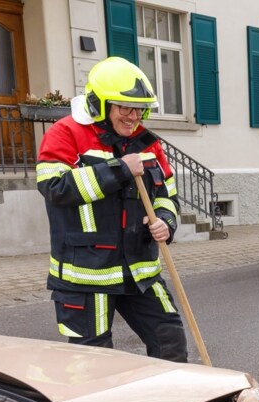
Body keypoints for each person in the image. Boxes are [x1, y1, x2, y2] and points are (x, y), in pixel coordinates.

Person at [36, 56, 187, 362]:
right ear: (100, 104)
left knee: (170, 340)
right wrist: (119, 169)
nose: (134, 116)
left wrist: (165, 221)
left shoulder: (146, 143)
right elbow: (55, 189)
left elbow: (167, 193)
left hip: (139, 273)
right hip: (86, 278)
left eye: (140, 109)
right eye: (125, 108)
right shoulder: (65, 133)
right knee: (95, 364)